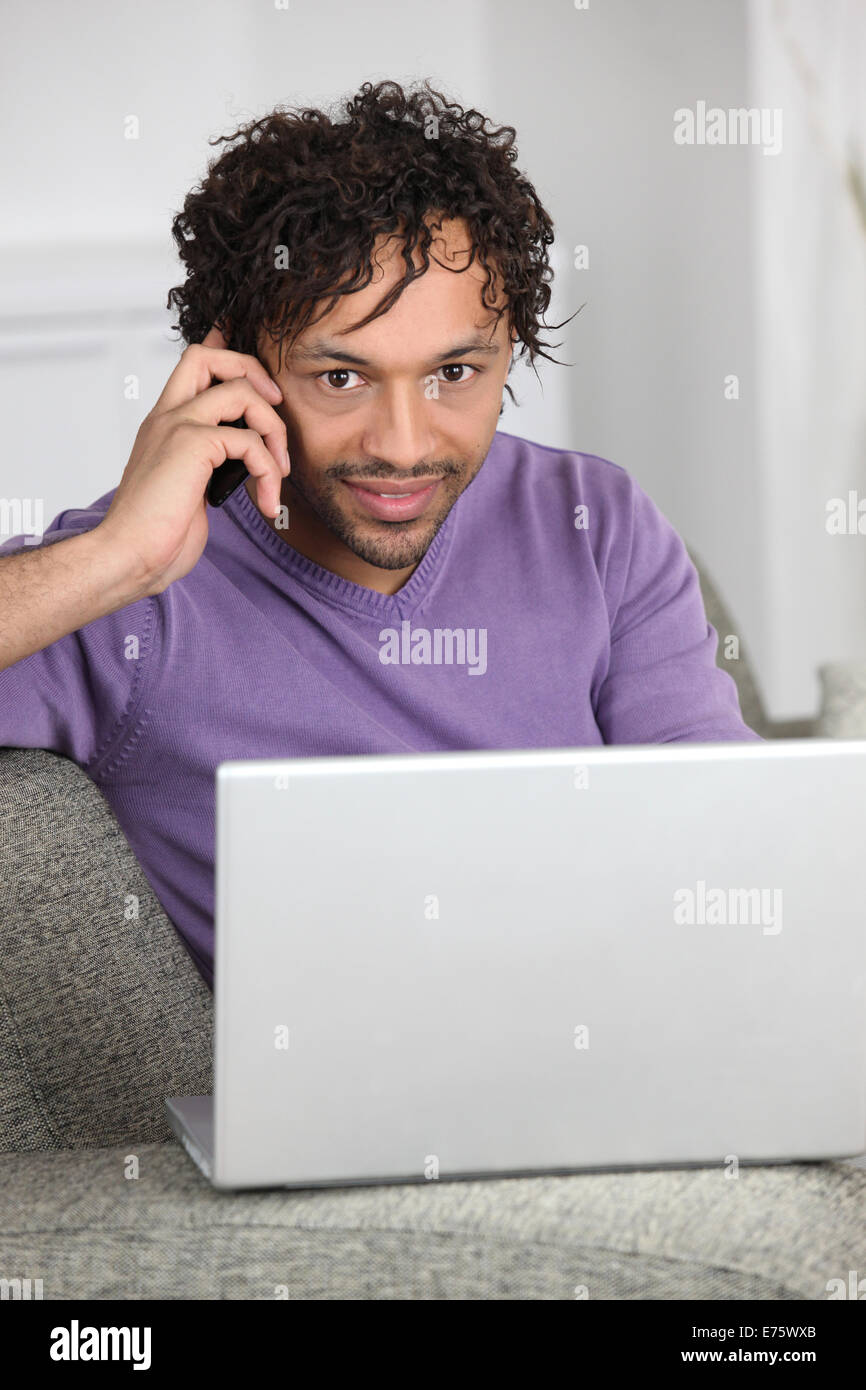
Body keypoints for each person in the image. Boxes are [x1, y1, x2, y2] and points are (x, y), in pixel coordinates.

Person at [0, 79, 760, 988]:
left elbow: (732, 849)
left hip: (623, 1075)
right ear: (238, 361)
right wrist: (114, 560)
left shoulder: (597, 524)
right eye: (341, 378)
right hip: (329, 1125)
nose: (403, 447)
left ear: (509, 346)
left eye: (454, 370)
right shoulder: (130, 592)